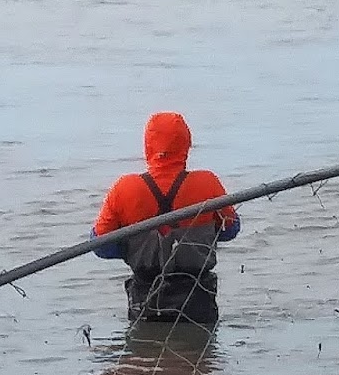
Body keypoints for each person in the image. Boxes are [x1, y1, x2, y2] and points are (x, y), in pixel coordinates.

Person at [91, 111, 239, 328]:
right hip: (198, 302)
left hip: (145, 303)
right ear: (187, 144)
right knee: (201, 359)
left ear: (147, 146)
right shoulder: (207, 183)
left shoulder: (125, 188)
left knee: (144, 359)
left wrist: (132, 246)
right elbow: (230, 230)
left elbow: (101, 247)